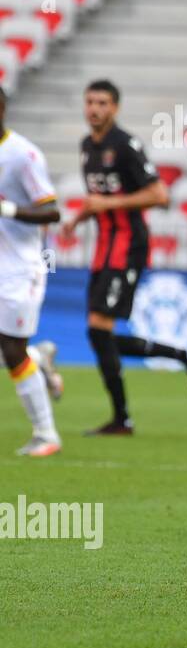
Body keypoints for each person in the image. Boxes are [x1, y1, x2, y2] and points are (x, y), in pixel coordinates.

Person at [62, 80, 187, 436]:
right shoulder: (87, 147)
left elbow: (160, 195)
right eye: (90, 102)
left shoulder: (126, 146)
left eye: (102, 102)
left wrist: (107, 205)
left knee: (99, 328)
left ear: (115, 108)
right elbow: (98, 196)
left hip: (128, 246)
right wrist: (78, 219)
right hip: (103, 247)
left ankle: (122, 419)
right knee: (99, 334)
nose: (94, 109)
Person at [0, 86, 63, 456]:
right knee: (11, 350)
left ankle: (46, 435)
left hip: (19, 271)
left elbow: (52, 211)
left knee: (11, 348)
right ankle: (41, 360)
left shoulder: (23, 156)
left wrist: (7, 210)